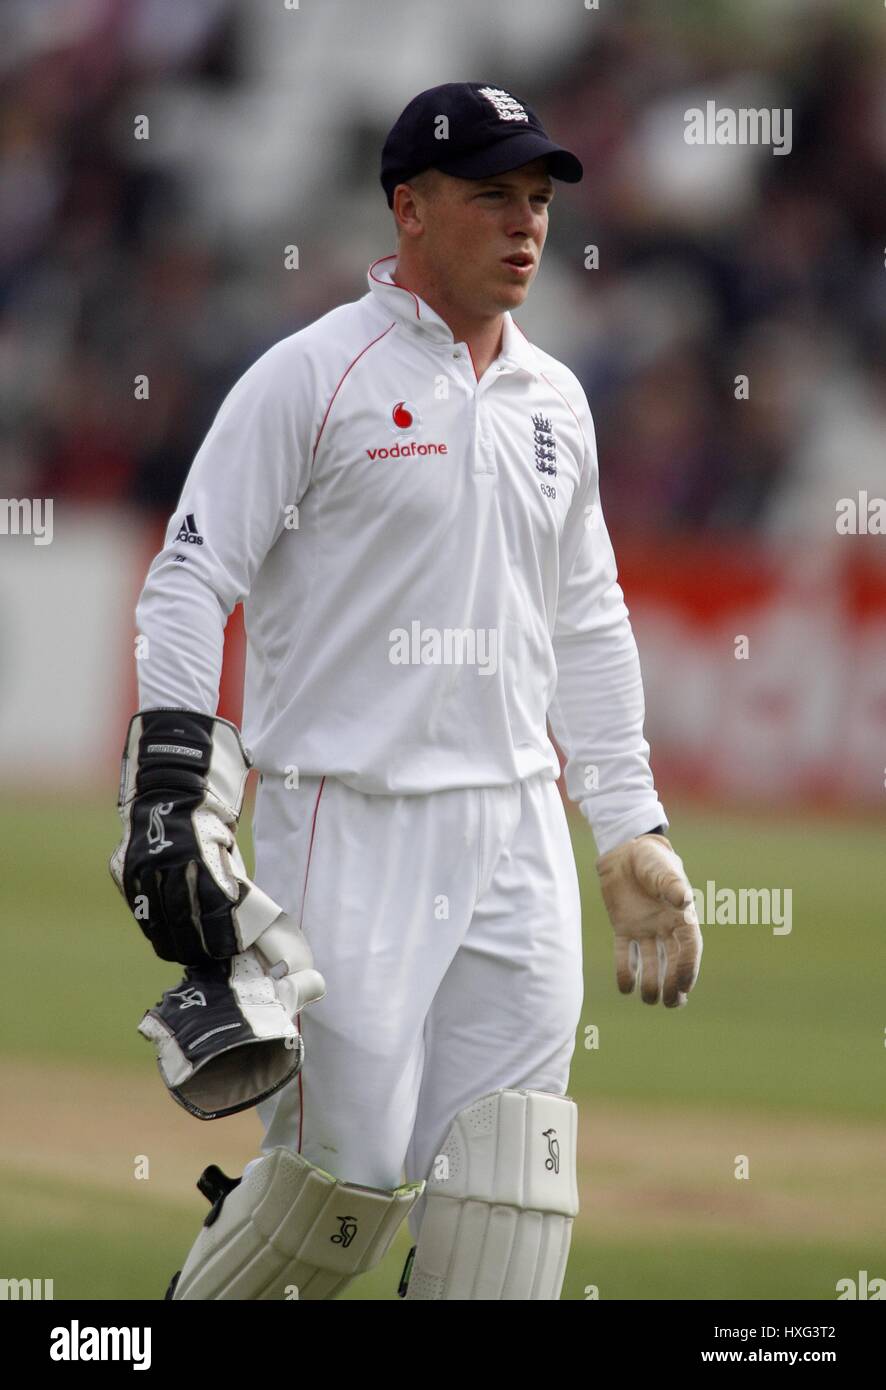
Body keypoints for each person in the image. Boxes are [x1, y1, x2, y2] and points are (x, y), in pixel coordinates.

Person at [110, 81, 702, 1302]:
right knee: (341, 1183)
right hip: (351, 816)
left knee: (510, 1191)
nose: (526, 223)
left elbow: (586, 616)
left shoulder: (557, 399)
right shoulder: (314, 372)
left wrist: (628, 822)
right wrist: (175, 787)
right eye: (493, 196)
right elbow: (188, 577)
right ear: (410, 208)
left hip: (521, 829)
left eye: (537, 200)